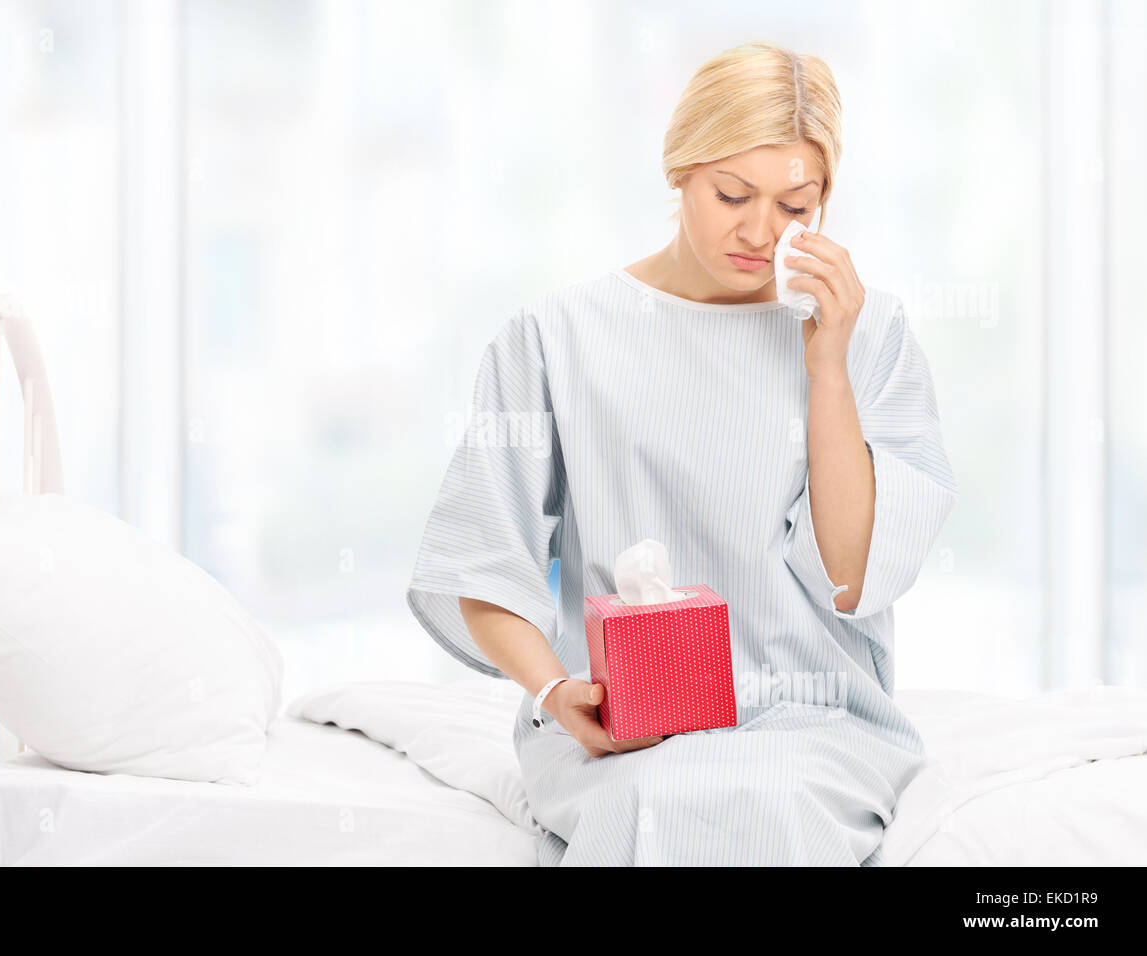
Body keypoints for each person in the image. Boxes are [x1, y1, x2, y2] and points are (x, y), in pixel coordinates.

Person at [406, 41, 958, 866]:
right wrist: (558, 694)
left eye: (795, 206)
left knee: (772, 806)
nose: (760, 231)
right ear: (680, 169)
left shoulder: (865, 334)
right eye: (731, 194)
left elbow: (851, 575)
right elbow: (478, 560)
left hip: (817, 723)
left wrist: (826, 366)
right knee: (658, 805)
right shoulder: (556, 337)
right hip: (627, 729)